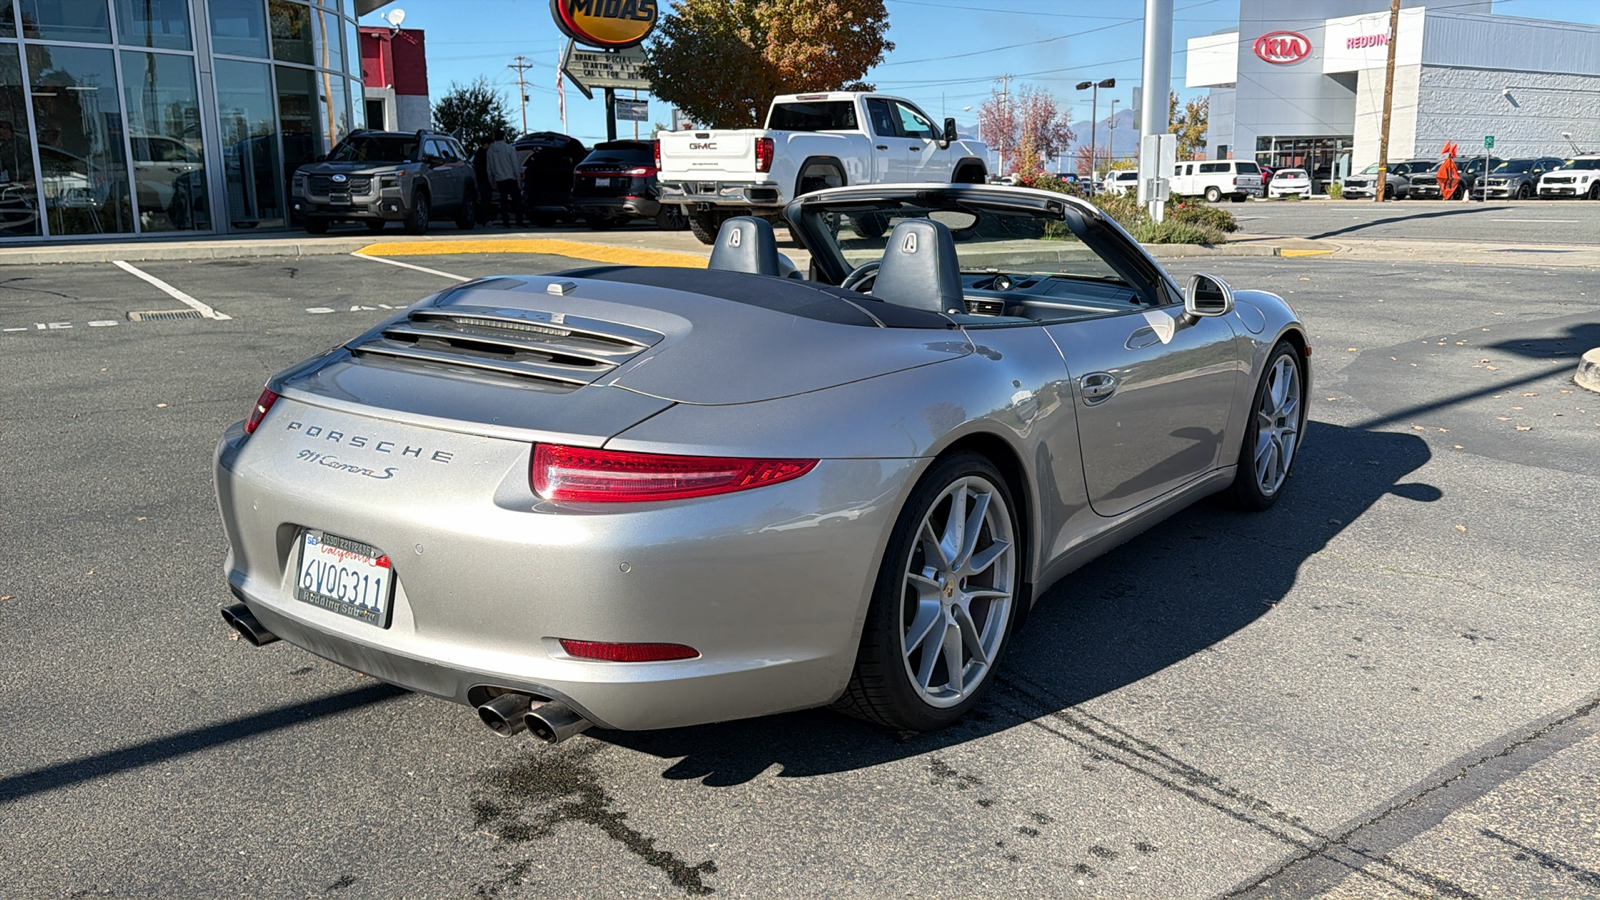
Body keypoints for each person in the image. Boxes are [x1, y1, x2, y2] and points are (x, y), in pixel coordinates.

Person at [485, 131, 525, 227]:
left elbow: (489, 166)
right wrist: (518, 176)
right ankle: (519, 221)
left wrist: (491, 179)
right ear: (504, 137)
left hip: (499, 179)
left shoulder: (490, 150)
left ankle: (505, 222)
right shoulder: (509, 148)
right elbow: (515, 164)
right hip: (511, 178)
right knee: (517, 201)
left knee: (503, 202)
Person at [471, 135, 491, 223]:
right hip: (484, 179)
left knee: (483, 200)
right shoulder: (484, 154)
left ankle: (482, 219)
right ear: (486, 144)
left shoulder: (477, 153)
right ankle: (484, 218)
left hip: (480, 179)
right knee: (486, 200)